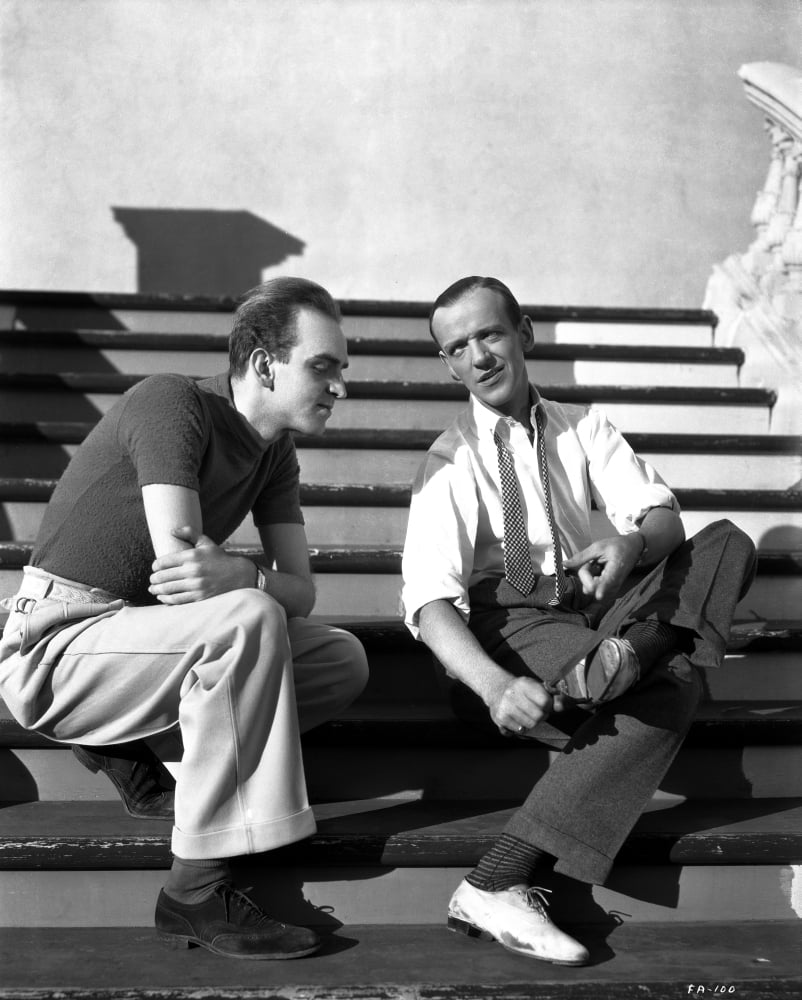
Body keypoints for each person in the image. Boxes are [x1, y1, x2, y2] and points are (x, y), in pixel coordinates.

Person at [0, 277, 369, 960]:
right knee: (248, 619)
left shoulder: (274, 454)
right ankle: (196, 888)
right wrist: (253, 585)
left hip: (142, 646)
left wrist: (248, 577)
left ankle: (130, 743)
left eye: (342, 369)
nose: (340, 386)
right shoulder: (173, 402)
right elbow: (182, 576)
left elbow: (301, 593)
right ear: (264, 364)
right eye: (323, 366)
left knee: (340, 657)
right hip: (56, 643)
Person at [401, 276, 756, 966]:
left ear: (524, 333)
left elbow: (660, 514)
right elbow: (429, 602)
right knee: (677, 683)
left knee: (726, 542)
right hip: (508, 622)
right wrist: (493, 688)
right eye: (458, 347)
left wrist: (631, 544)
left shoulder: (581, 426)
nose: (478, 356)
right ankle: (628, 662)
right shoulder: (448, 462)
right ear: (448, 365)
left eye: (489, 334)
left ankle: (620, 663)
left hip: (589, 607)